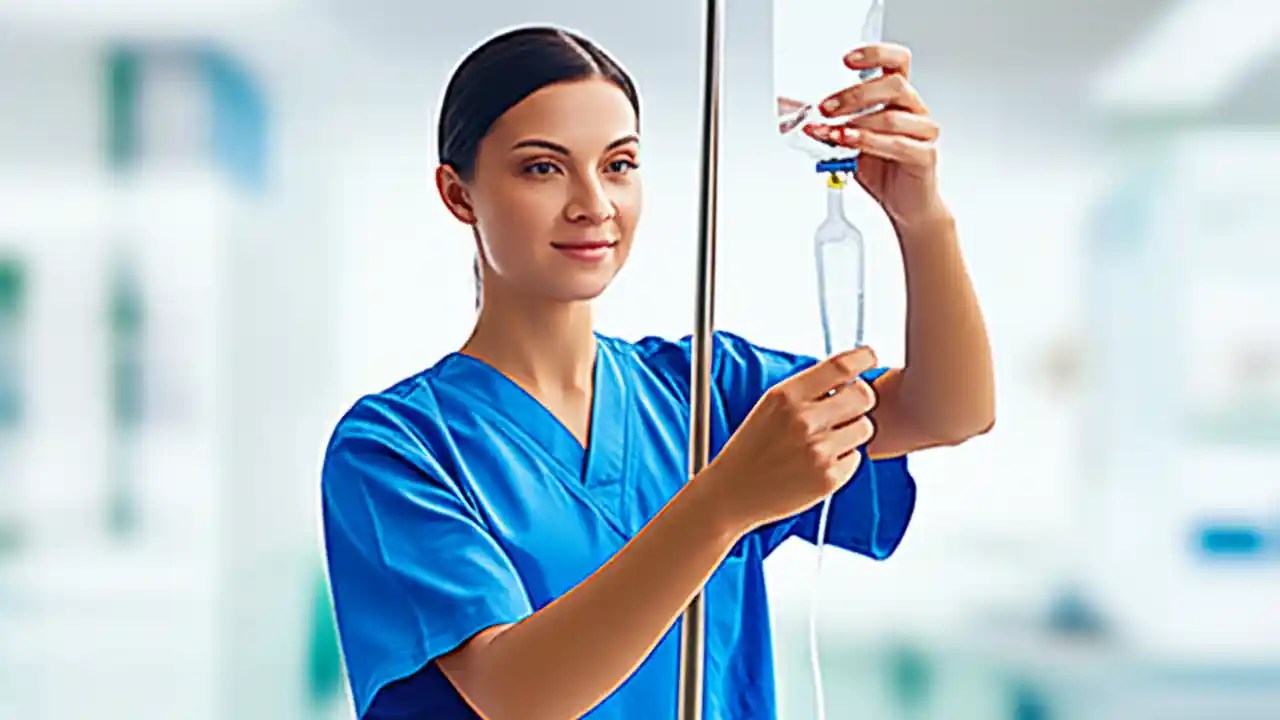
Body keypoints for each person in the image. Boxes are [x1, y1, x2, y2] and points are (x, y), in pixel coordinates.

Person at [321, 24, 993, 720]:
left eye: (618, 164)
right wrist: (724, 502)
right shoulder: (394, 449)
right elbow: (514, 696)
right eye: (543, 168)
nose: (594, 204)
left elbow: (949, 411)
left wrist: (923, 217)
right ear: (459, 196)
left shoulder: (704, 391)